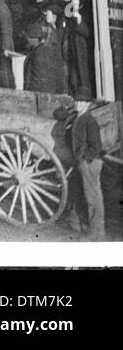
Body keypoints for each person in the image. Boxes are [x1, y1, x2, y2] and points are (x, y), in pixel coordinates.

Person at [69, 98, 107, 242]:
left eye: (82, 102)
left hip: (91, 162)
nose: (78, 104)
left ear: (88, 104)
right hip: (85, 161)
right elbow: (58, 113)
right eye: (76, 101)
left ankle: (97, 234)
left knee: (93, 198)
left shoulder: (89, 120)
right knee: (87, 195)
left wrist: (85, 159)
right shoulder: (79, 116)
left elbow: (96, 144)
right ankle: (86, 227)